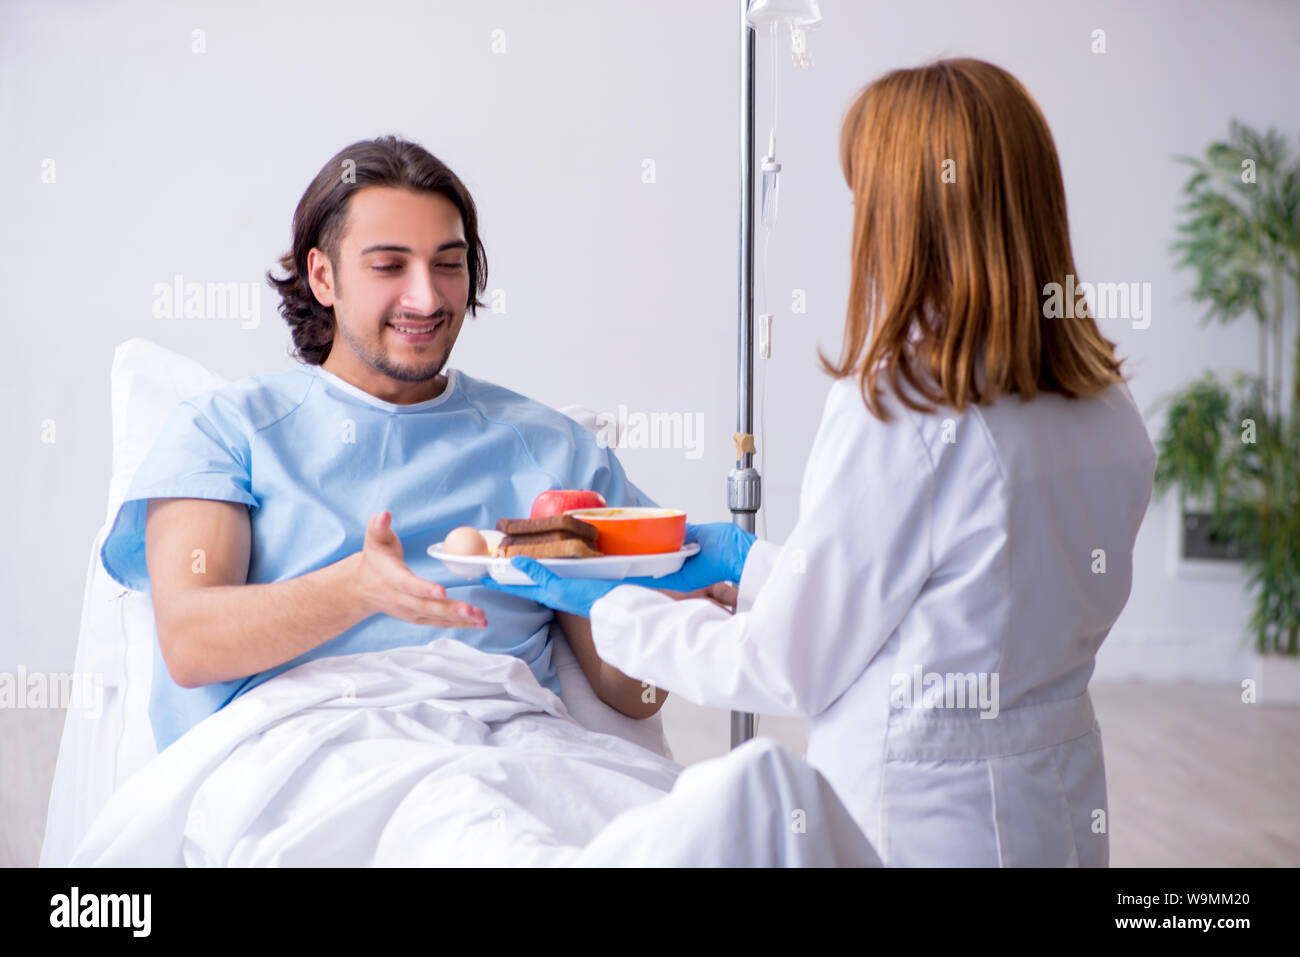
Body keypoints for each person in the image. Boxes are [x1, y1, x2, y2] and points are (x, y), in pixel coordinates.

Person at [482, 58, 1158, 867]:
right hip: (1056, 802)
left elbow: (787, 665)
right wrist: (753, 564)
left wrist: (615, 605)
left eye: (861, 197)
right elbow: (950, 597)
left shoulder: (905, 406)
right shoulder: (1102, 407)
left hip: (921, 817)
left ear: (905, 214)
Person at [99, 136, 675, 751]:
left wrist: (669, 604)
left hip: (515, 746)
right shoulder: (226, 430)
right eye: (389, 266)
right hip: (309, 750)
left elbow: (635, 695)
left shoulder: (555, 451)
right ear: (322, 275)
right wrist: (354, 589)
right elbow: (191, 642)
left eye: (448, 265)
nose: (426, 298)